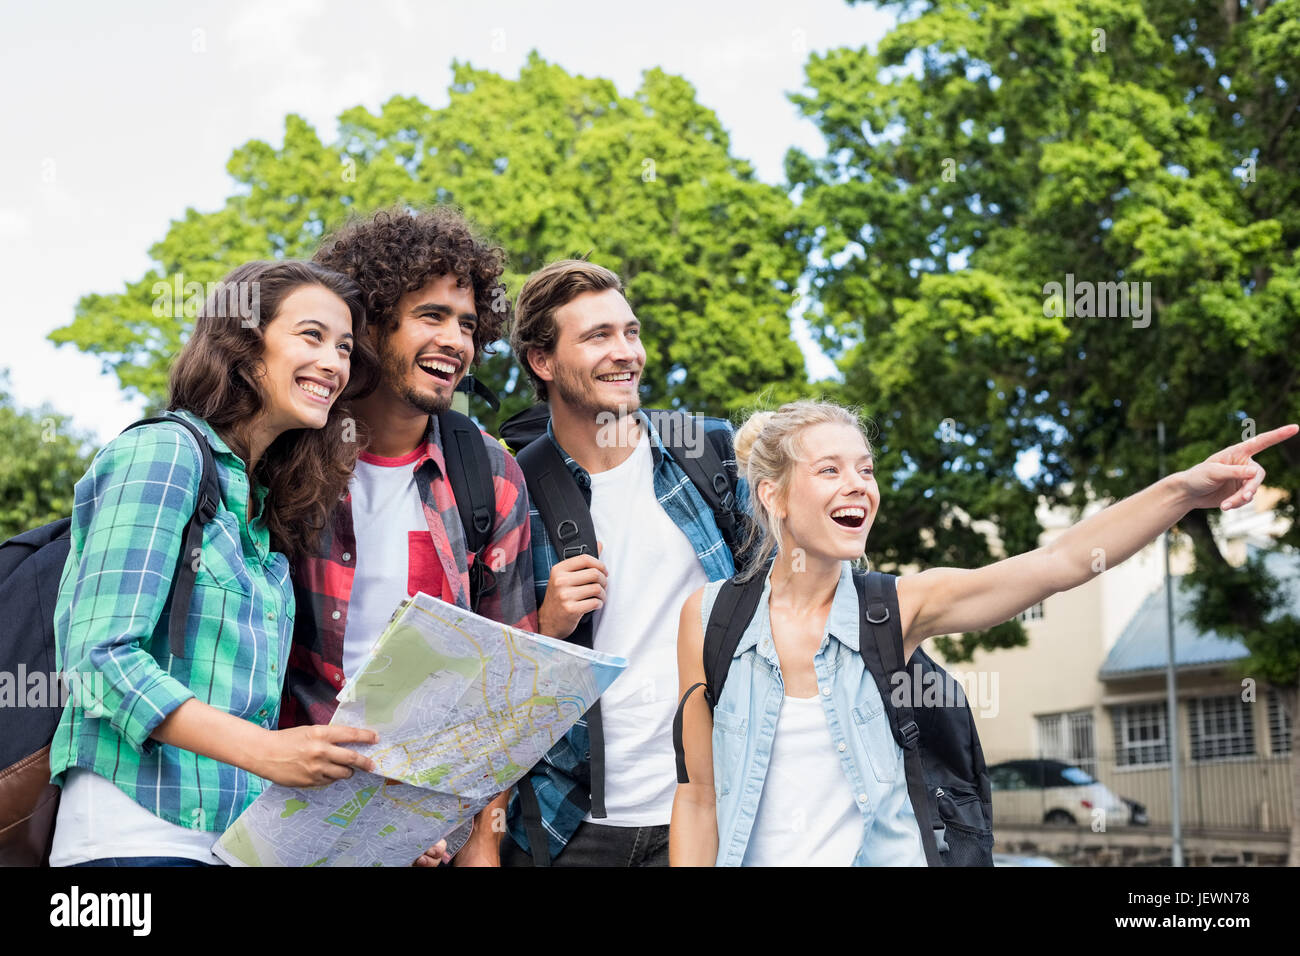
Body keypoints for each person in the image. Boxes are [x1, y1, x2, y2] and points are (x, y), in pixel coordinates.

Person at [670, 400, 1297, 866]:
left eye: (865, 469)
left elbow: (1059, 563)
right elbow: (699, 800)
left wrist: (1182, 491)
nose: (858, 484)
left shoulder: (896, 609)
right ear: (773, 496)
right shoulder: (709, 619)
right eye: (829, 470)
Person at [49, 260, 384, 867]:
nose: (335, 364)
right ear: (242, 342)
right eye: (311, 336)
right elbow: (97, 659)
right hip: (136, 839)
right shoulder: (164, 452)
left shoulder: (260, 509)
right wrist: (264, 750)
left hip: (233, 847)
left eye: (344, 348)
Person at [283, 207, 537, 867]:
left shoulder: (489, 474)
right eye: (431, 316)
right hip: (282, 809)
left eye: (469, 324)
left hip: (428, 827)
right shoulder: (284, 458)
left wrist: (482, 841)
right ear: (369, 321)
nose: (456, 340)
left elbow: (505, 687)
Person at [499, 260, 748, 866]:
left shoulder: (708, 451)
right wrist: (546, 627)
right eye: (597, 336)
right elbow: (477, 676)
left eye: (629, 332)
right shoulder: (509, 485)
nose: (625, 352)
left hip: (709, 810)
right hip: (570, 825)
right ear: (543, 361)